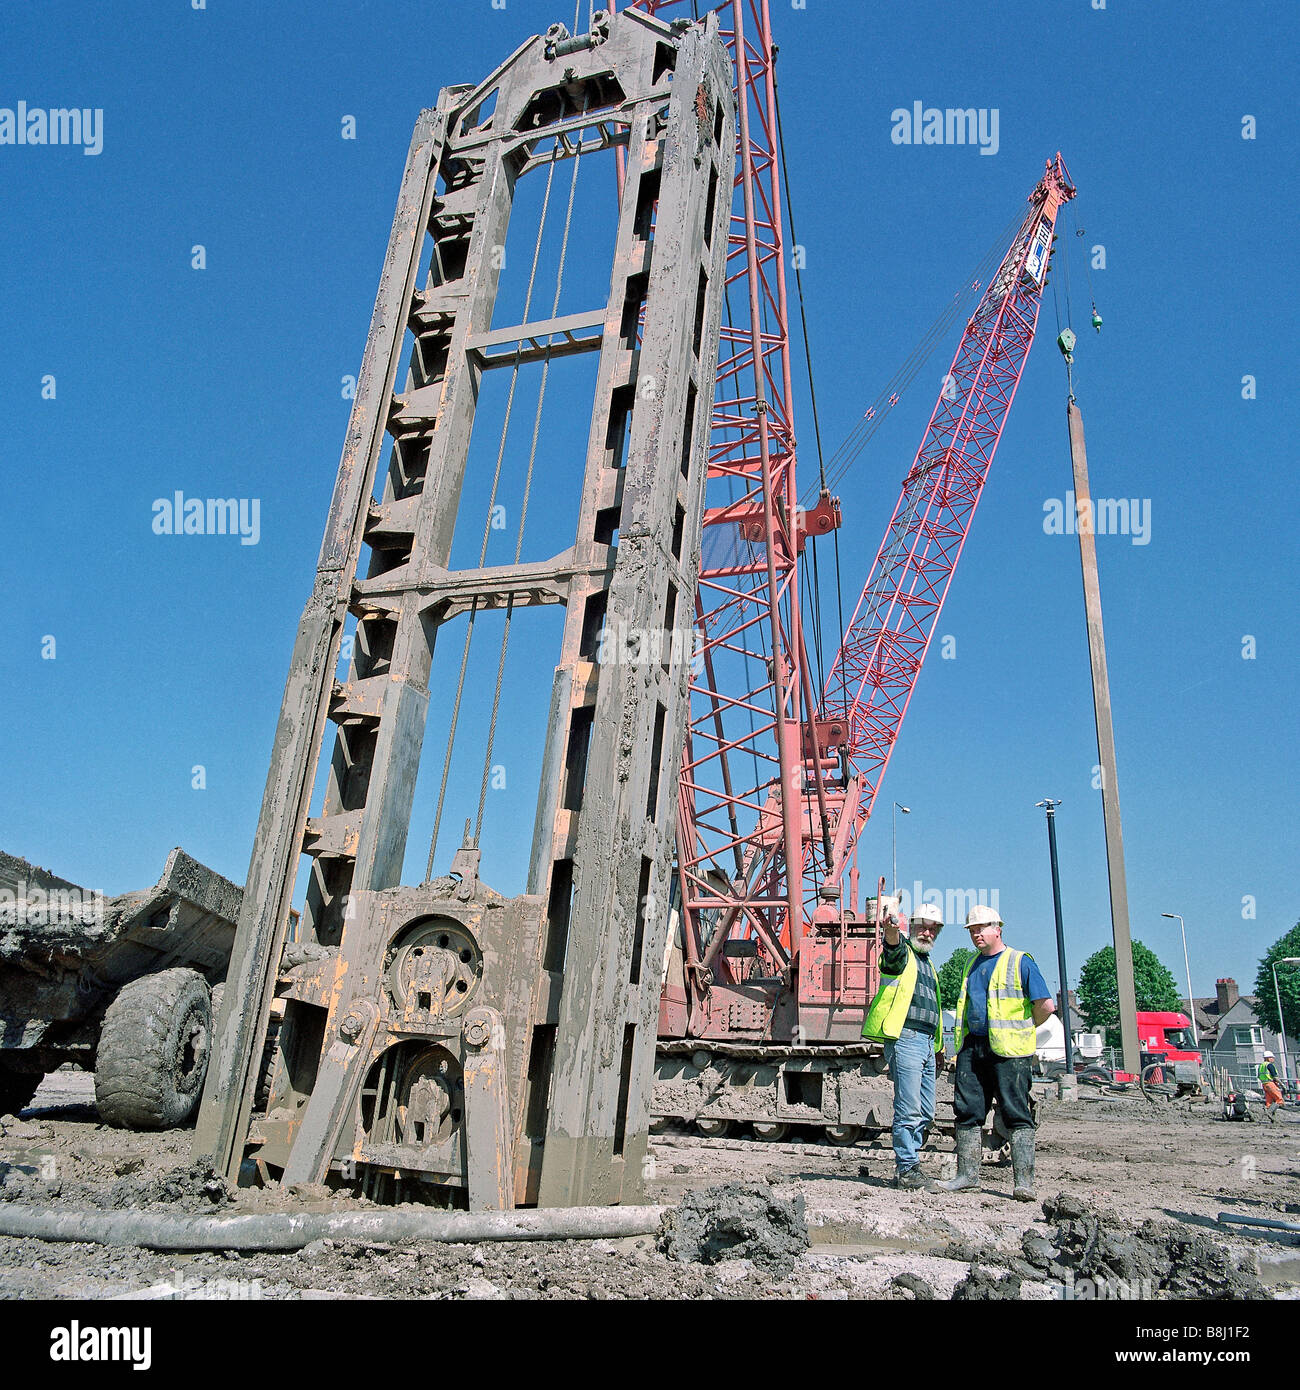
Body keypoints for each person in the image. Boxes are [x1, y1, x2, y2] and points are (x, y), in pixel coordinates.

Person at [938, 905, 1055, 1201]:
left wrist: (1023, 1030)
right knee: (968, 1111)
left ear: (997, 928)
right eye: (972, 930)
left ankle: (1024, 1183)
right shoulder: (970, 964)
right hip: (973, 1047)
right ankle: (967, 1177)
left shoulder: (1020, 961)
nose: (976, 934)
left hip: (1010, 1052)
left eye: (981, 928)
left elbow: (1045, 1005)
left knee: (1016, 1113)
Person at [861, 901, 945, 1189]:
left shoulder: (929, 964)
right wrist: (891, 931)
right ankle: (907, 1168)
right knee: (908, 1109)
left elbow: (934, 1008)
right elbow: (892, 953)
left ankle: (910, 1161)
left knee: (926, 1111)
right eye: (922, 926)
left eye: (933, 929)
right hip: (906, 1037)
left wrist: (939, 1046)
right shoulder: (904, 953)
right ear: (912, 926)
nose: (927, 933)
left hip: (927, 1043)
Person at [1258, 1051, 1284, 1122]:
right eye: (1272, 1057)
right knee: (1279, 1100)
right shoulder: (1269, 1065)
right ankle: (1268, 1113)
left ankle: (1272, 1119)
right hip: (1270, 1084)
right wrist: (1282, 1084)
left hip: (1264, 1084)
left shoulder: (1261, 1066)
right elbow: (1275, 1077)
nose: (1273, 1059)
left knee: (1269, 1102)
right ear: (1268, 1058)